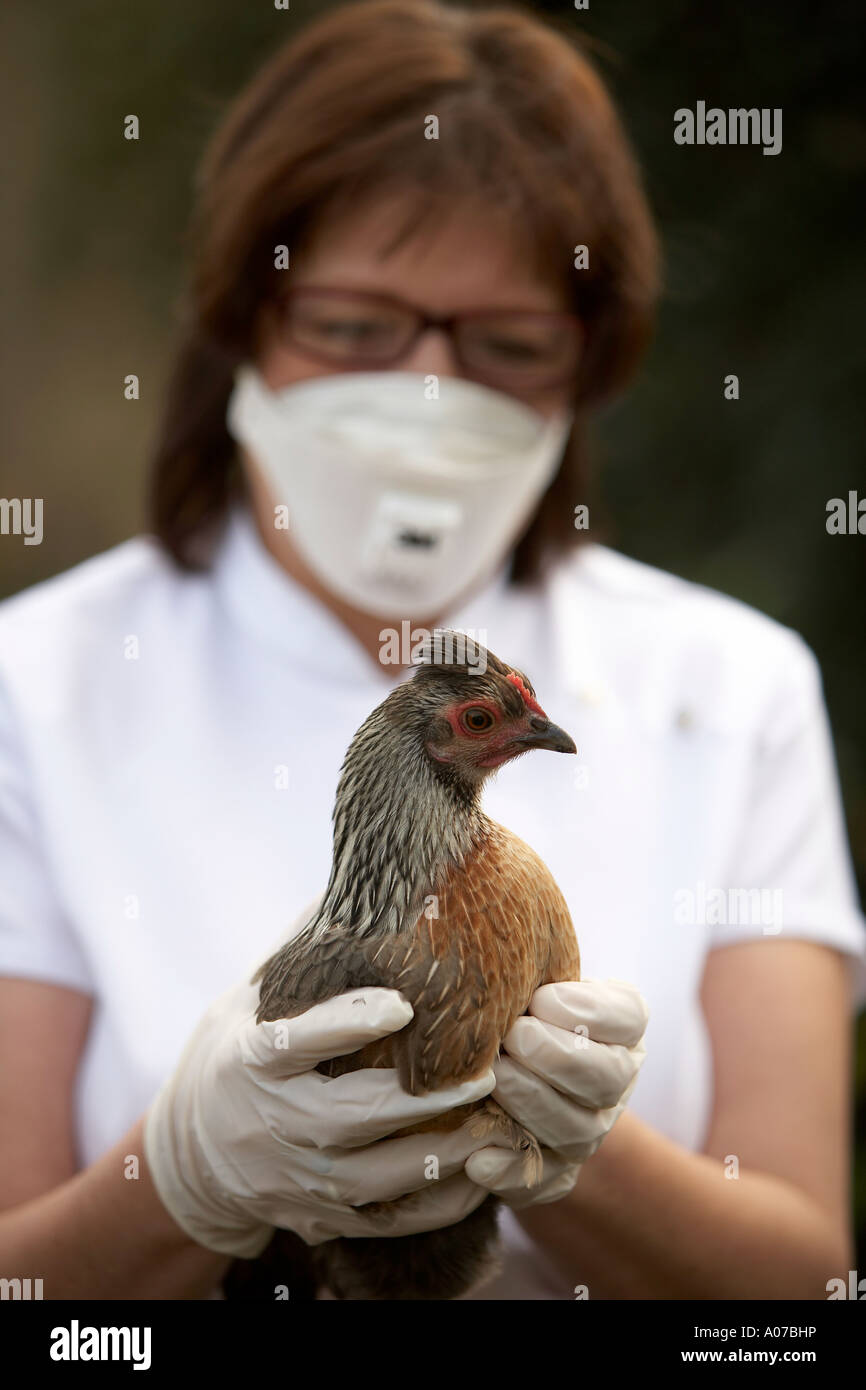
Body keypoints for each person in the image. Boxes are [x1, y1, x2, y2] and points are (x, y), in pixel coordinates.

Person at [1, 0, 863, 1301]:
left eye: (504, 346)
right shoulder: (36, 685)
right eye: (353, 325)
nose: (423, 392)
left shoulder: (728, 687)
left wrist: (559, 1142)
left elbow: (798, 1288)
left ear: (585, 369)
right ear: (242, 320)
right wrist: (184, 1179)